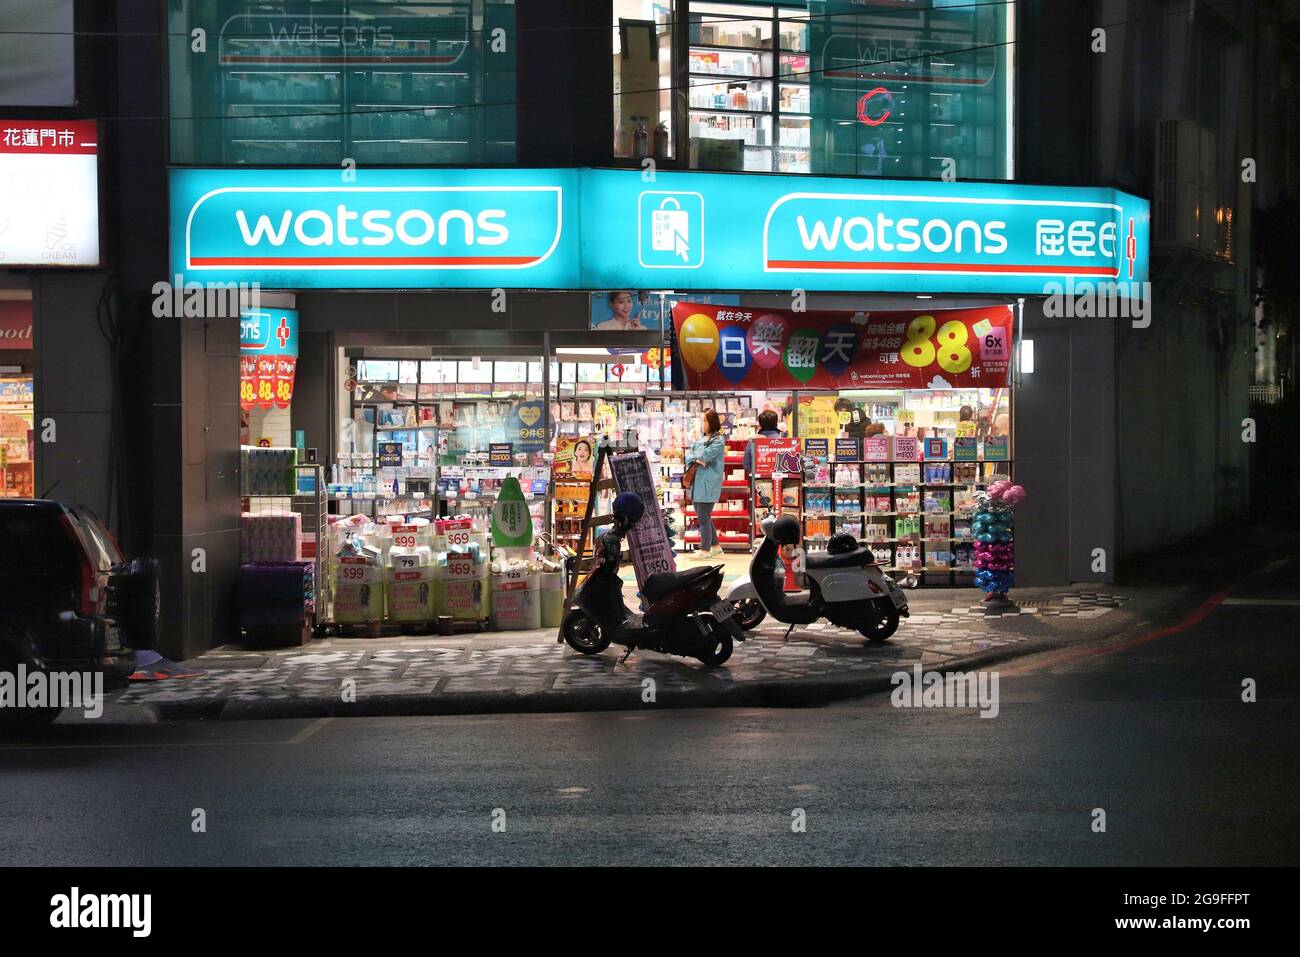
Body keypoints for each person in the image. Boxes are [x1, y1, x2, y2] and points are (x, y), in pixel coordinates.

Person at [685, 409, 726, 559]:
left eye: (705, 421)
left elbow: (704, 455)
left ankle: (705, 550)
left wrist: (696, 456)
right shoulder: (701, 440)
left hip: (709, 485)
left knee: (703, 516)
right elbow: (688, 457)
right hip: (697, 484)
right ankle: (715, 547)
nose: (702, 424)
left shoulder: (718, 441)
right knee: (704, 516)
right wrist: (696, 458)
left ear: (712, 422)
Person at [743, 409, 784, 475]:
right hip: (780, 480)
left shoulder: (752, 441)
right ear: (776, 423)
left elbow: (746, 465)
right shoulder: (783, 441)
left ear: (760, 424)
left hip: (757, 481)